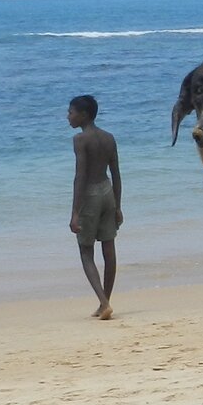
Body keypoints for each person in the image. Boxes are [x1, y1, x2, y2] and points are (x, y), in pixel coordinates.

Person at [66, 94, 122, 319]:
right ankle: (105, 302)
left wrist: (75, 213)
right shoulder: (109, 138)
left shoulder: (80, 140)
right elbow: (116, 174)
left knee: (86, 251)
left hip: (90, 195)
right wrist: (118, 206)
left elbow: (80, 176)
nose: (68, 116)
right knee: (108, 249)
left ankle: (103, 302)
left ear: (84, 115)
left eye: (71, 112)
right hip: (107, 191)